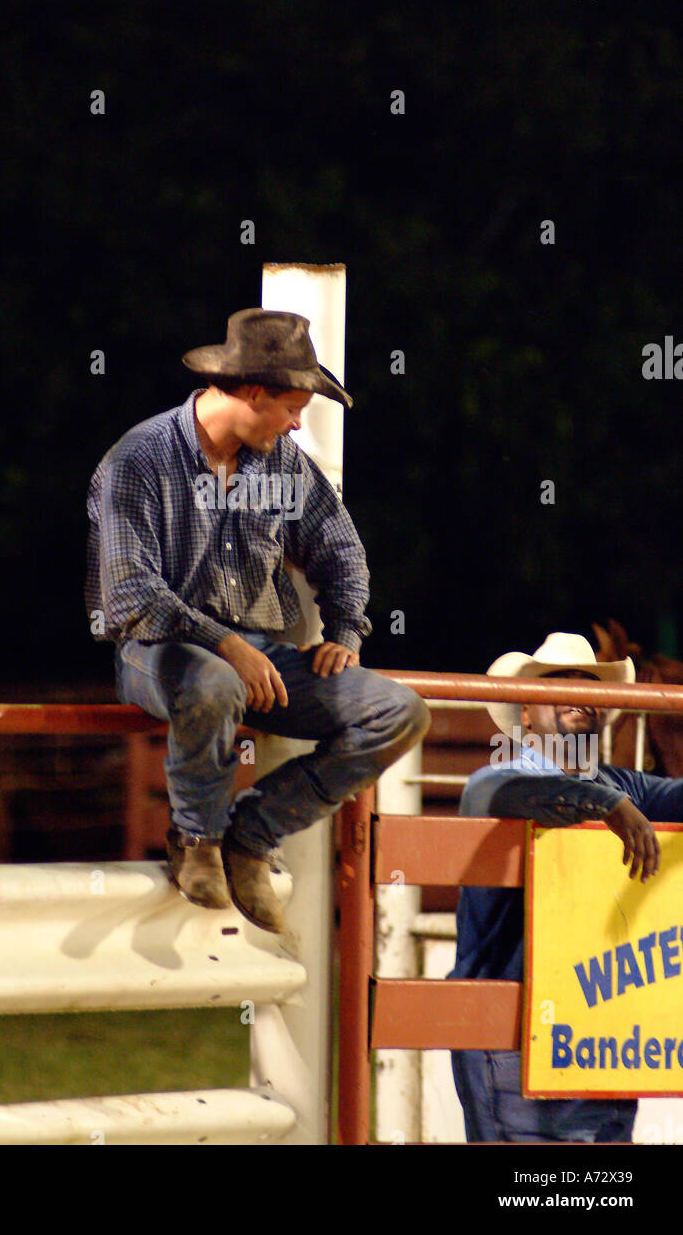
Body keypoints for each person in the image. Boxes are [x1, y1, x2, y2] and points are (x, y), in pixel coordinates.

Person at [85, 308, 430, 932]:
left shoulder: (284, 467)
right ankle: (196, 842)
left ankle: (252, 834)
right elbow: (129, 593)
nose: (299, 423)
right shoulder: (138, 459)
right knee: (214, 683)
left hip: (257, 653)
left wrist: (344, 632)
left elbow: (342, 551)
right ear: (251, 392)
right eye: (294, 406)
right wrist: (225, 644)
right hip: (154, 648)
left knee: (399, 711)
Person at [450, 631, 683, 1143]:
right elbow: (504, 793)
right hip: (517, 1038)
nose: (580, 691)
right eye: (560, 681)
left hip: (605, 1037)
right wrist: (603, 805)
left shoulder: (627, 786)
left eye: (590, 682)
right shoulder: (500, 779)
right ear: (525, 714)